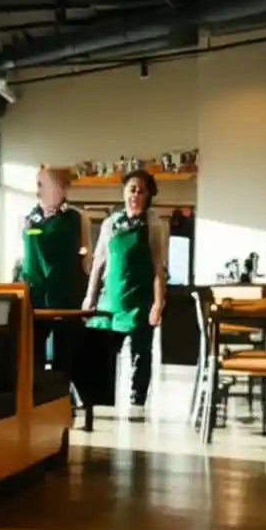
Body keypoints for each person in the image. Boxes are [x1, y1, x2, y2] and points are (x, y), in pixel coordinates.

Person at [84, 169, 168, 408]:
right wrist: (90, 297)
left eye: (141, 191)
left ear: (149, 195)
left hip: (140, 300)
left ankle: (137, 400)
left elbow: (158, 267)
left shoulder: (153, 224)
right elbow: (98, 262)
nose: (135, 195)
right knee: (105, 353)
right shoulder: (111, 223)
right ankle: (101, 399)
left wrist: (158, 304)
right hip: (111, 299)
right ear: (124, 192)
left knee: (141, 354)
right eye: (132, 189)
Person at [21, 166, 92, 309]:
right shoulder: (29, 220)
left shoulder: (76, 218)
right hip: (34, 297)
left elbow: (86, 257)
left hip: (67, 297)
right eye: (38, 184)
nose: (39, 191)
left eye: (44, 185)